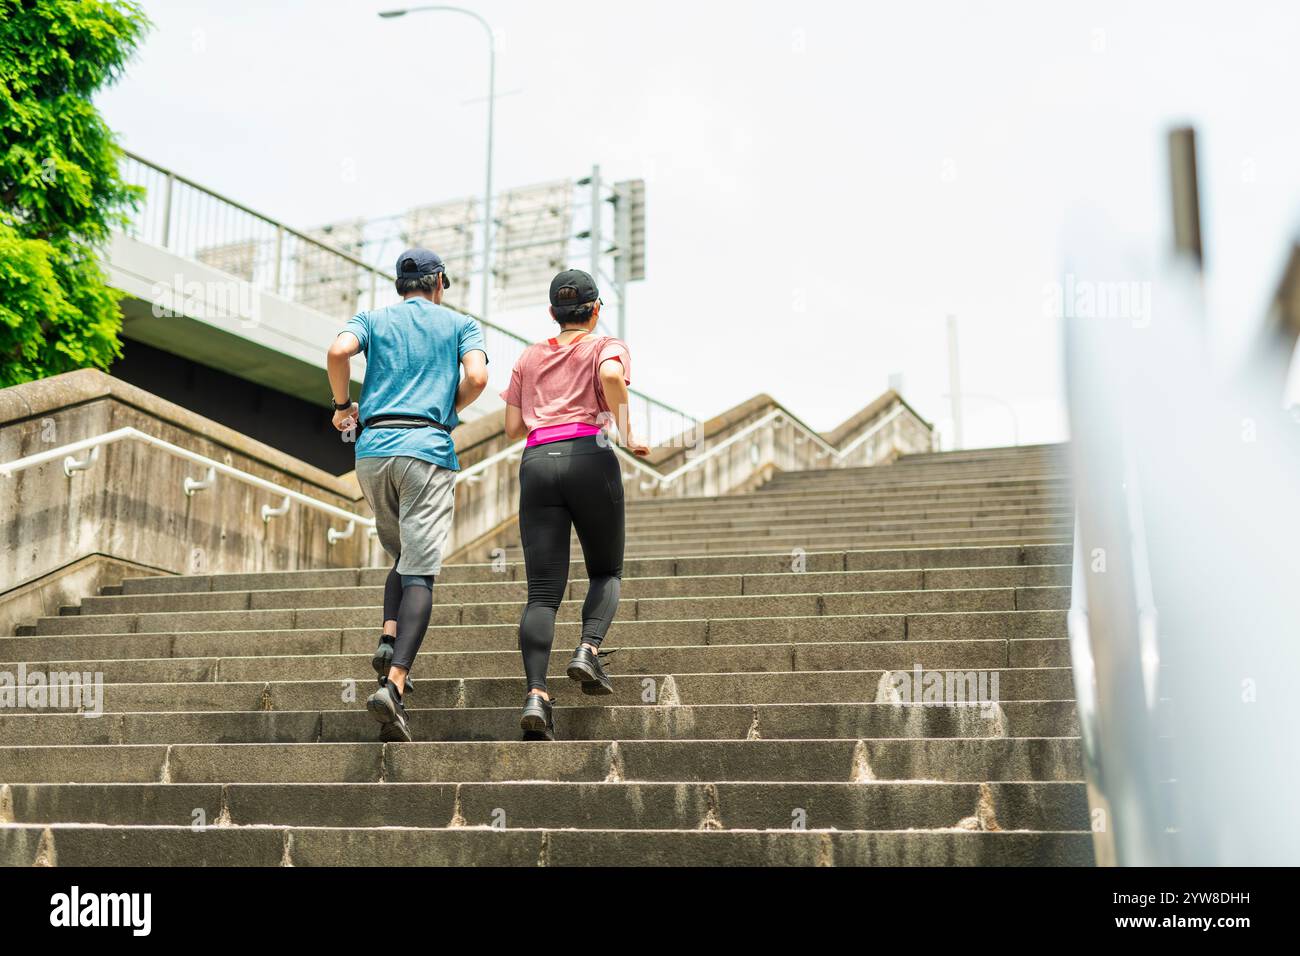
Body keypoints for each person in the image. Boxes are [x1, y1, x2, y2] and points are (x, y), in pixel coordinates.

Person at [327, 248, 489, 742]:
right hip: (426, 449)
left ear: (401, 283)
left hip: (372, 450)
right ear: (438, 281)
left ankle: (388, 634)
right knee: (420, 569)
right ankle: (393, 686)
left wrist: (341, 407)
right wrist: (447, 403)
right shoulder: (461, 325)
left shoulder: (372, 319)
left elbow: (337, 352)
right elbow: (479, 377)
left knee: (400, 555)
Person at [501, 269, 650, 740]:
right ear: (596, 310)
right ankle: (587, 650)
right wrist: (628, 432)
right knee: (606, 570)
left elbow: (511, 427)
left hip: (538, 459)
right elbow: (610, 376)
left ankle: (536, 696)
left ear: (552, 313)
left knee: (542, 593)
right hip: (590, 454)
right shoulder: (607, 346)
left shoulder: (528, 356)